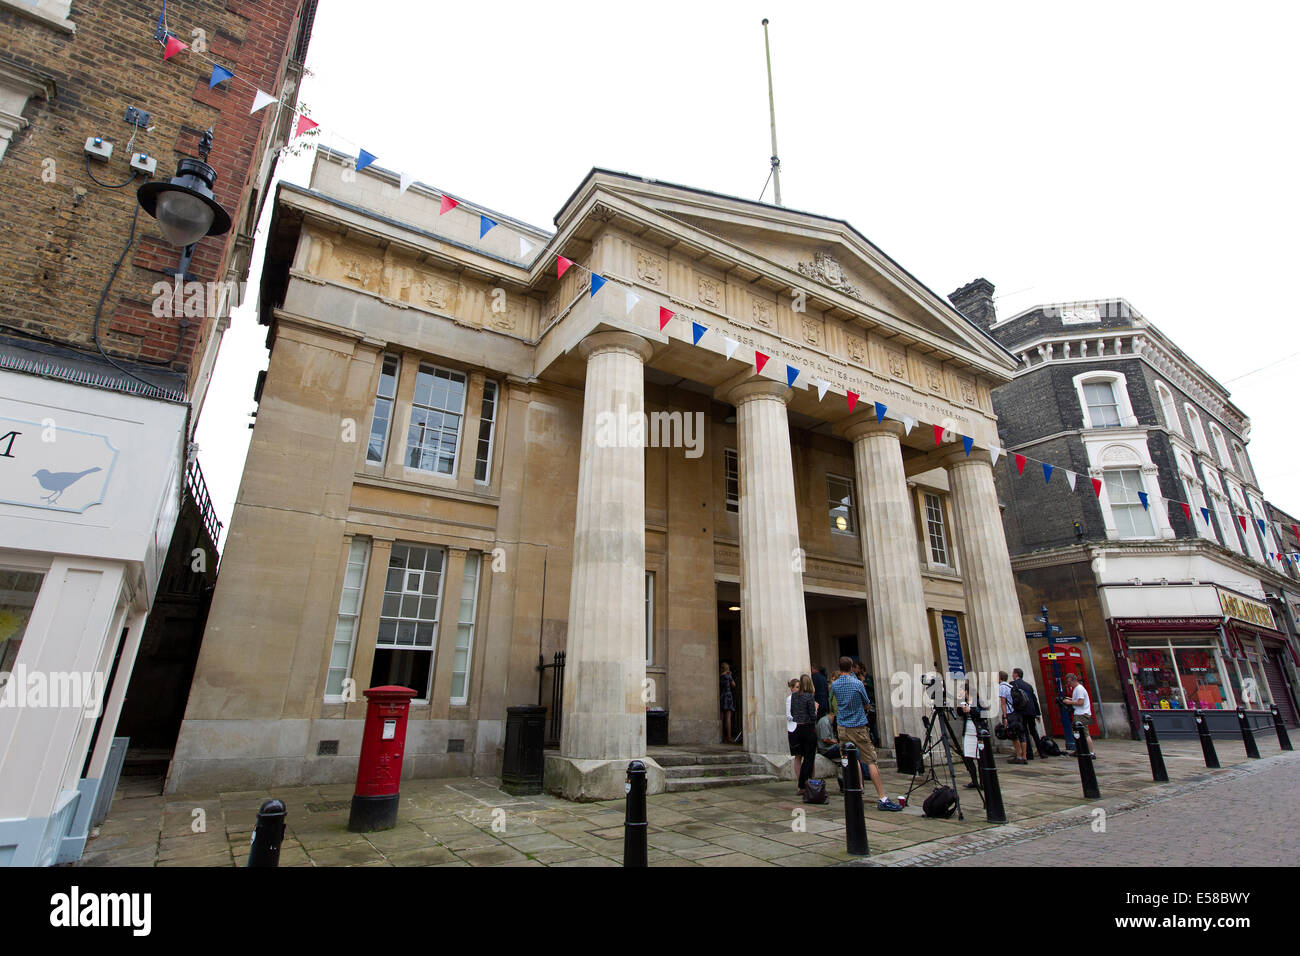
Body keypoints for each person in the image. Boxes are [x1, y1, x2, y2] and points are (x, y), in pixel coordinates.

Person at [832, 656, 902, 811]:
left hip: (842, 726)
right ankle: (882, 797)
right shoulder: (857, 683)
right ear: (851, 667)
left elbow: (837, 702)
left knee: (848, 758)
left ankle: (856, 789)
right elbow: (866, 703)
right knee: (870, 761)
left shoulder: (835, 685)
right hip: (858, 726)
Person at [790, 675, 819, 794]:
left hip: (798, 728)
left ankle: (802, 785)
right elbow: (813, 716)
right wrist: (816, 709)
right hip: (808, 728)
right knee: (809, 757)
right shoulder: (809, 697)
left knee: (801, 756)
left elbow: (792, 712)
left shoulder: (794, 696)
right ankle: (803, 784)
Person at [1011, 667, 1044, 759]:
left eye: (1013, 673)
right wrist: (1038, 714)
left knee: (1024, 732)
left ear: (1016, 674)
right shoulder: (1028, 685)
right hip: (1031, 711)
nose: (1012, 675)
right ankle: (1041, 752)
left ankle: (1029, 753)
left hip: (1021, 712)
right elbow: (1034, 700)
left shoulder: (1013, 685)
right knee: (1034, 731)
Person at [998, 670, 1027, 764]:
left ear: (1000, 678)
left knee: (1014, 735)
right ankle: (1024, 756)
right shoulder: (1011, 686)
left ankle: (1018, 756)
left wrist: (1005, 717)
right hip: (1018, 712)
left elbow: (1003, 703)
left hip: (1010, 713)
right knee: (1022, 735)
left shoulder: (1002, 687)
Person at [1064, 672, 1094, 753]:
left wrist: (1069, 702)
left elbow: (1081, 702)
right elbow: (1078, 700)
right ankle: (1080, 750)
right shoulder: (1077, 689)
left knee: (1085, 734)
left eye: (1069, 682)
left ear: (1073, 680)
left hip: (1082, 714)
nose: (1068, 684)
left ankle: (1091, 752)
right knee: (1078, 734)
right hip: (1080, 713)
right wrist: (1070, 699)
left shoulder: (1079, 689)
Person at [785, 678, 802, 780]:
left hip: (802, 728)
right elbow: (788, 716)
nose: (798, 689)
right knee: (798, 756)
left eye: (800, 687)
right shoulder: (790, 699)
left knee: (808, 757)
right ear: (791, 688)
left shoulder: (803, 698)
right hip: (794, 729)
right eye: (796, 687)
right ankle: (800, 782)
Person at [720, 662, 737, 744]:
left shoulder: (720, 676)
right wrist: (731, 677)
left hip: (721, 696)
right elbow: (734, 685)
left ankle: (722, 737)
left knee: (722, 718)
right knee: (728, 718)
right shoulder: (728, 676)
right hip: (728, 696)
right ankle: (729, 737)